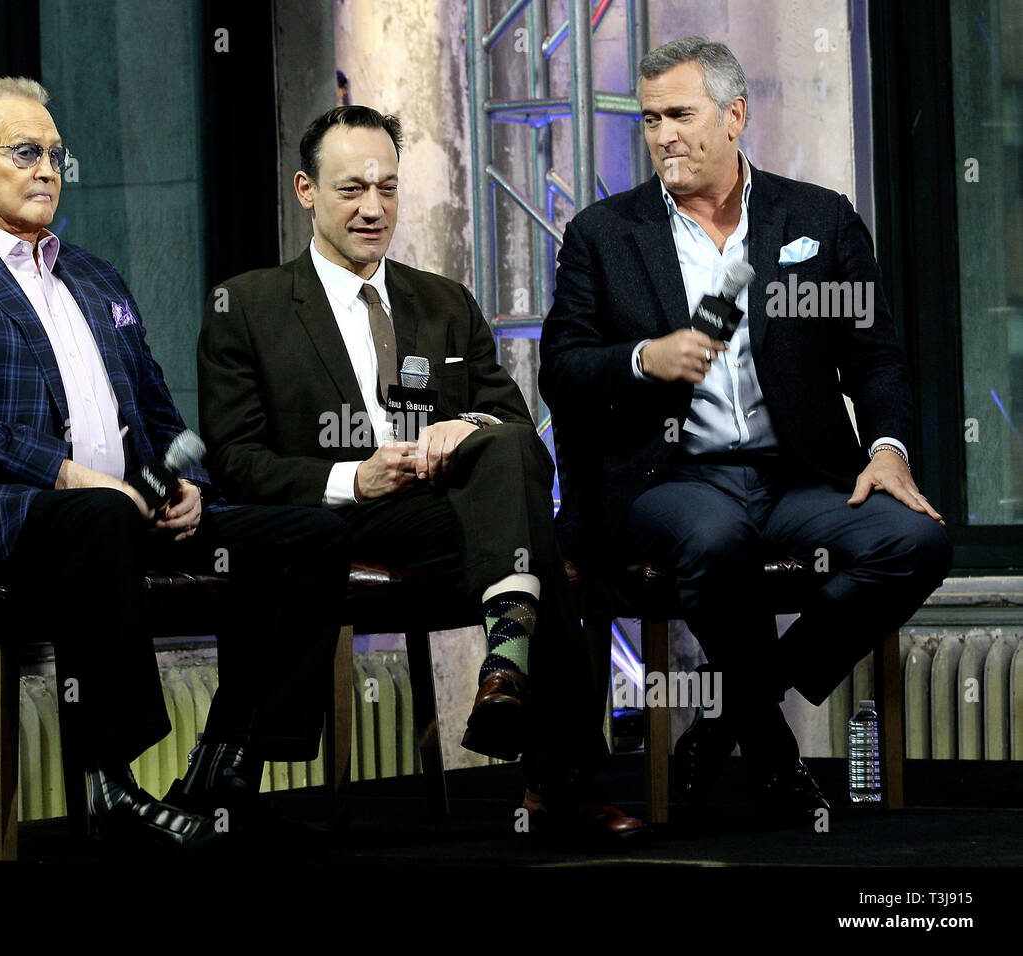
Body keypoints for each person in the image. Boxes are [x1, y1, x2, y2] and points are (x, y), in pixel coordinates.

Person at [0, 77, 350, 851]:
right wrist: (65, 474)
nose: (49, 169)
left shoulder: (92, 276)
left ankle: (225, 767)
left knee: (310, 536)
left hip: (111, 515)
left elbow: (158, 417)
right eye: (25, 153)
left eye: (56, 154)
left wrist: (181, 484)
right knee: (99, 513)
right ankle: (109, 786)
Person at [197, 105, 644, 841]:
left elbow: (517, 431)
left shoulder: (444, 302)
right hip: (333, 519)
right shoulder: (247, 307)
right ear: (306, 190)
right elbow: (236, 463)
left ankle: (509, 677)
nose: (374, 209)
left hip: (447, 514)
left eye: (388, 188)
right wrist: (354, 477)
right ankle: (556, 776)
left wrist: (459, 426)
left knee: (508, 458)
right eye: (351, 191)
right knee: (537, 535)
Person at [539, 37, 952, 817]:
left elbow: (877, 359)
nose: (663, 134)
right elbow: (559, 370)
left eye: (681, 114)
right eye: (650, 118)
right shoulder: (603, 234)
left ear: (734, 116)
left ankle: (727, 720)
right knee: (713, 538)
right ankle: (772, 750)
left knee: (916, 542)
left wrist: (888, 449)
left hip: (797, 475)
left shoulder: (818, 220)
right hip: (670, 481)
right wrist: (640, 359)